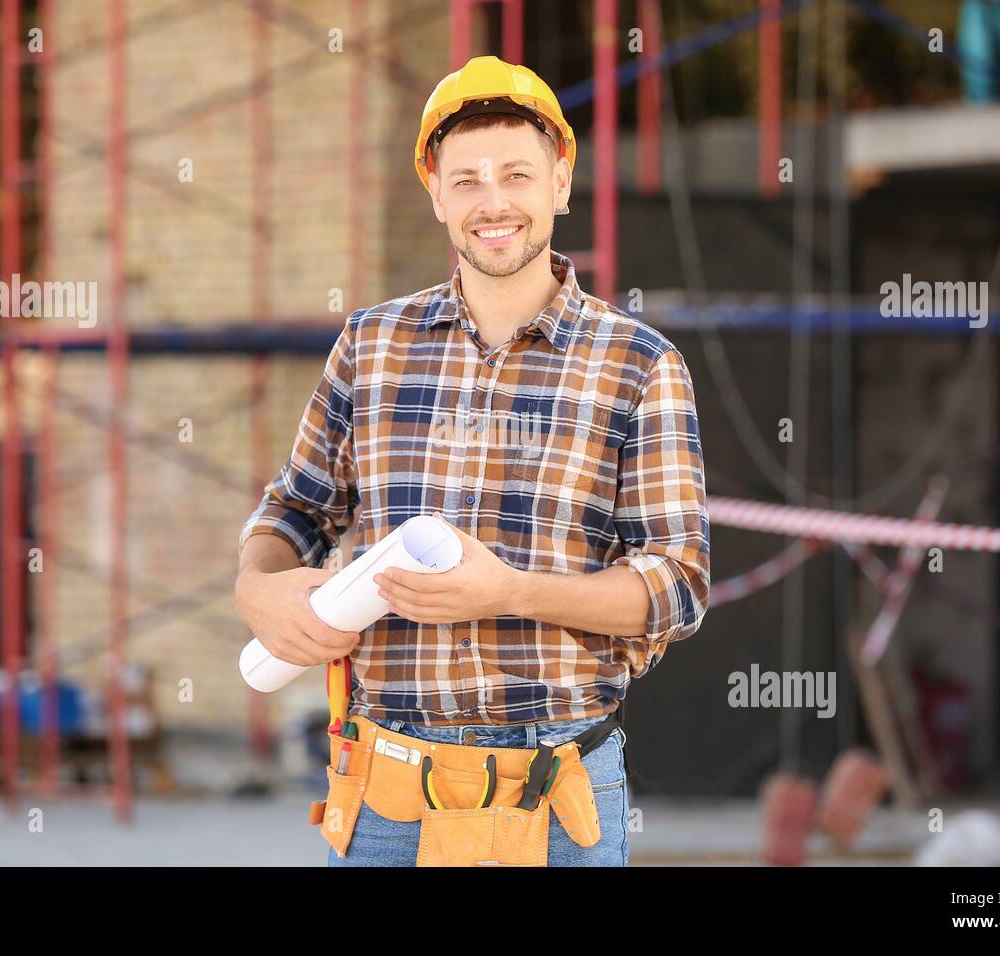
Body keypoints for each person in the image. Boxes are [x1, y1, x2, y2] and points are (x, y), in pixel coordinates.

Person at [235, 56, 710, 866]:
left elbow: (678, 586)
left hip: (561, 791)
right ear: (436, 196)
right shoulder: (371, 346)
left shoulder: (639, 363)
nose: (493, 202)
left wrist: (511, 591)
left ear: (561, 183)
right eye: (467, 180)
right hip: (388, 791)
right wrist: (256, 585)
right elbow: (297, 511)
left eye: (517, 175)